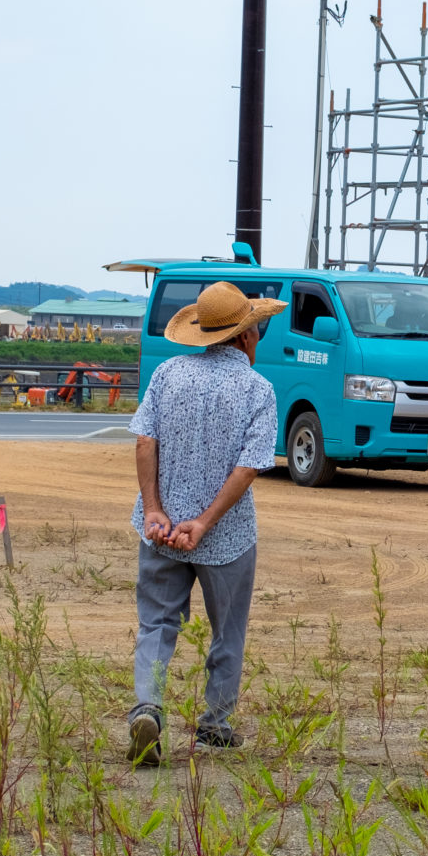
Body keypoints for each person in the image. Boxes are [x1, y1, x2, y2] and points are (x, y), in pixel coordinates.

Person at [125, 280, 283, 764]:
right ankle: (215, 725)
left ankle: (147, 708)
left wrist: (154, 509)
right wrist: (207, 521)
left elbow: (144, 441)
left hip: (161, 530)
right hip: (226, 537)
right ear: (244, 337)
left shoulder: (168, 374)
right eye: (257, 330)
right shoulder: (258, 389)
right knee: (227, 631)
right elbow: (249, 466)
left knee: (156, 623)